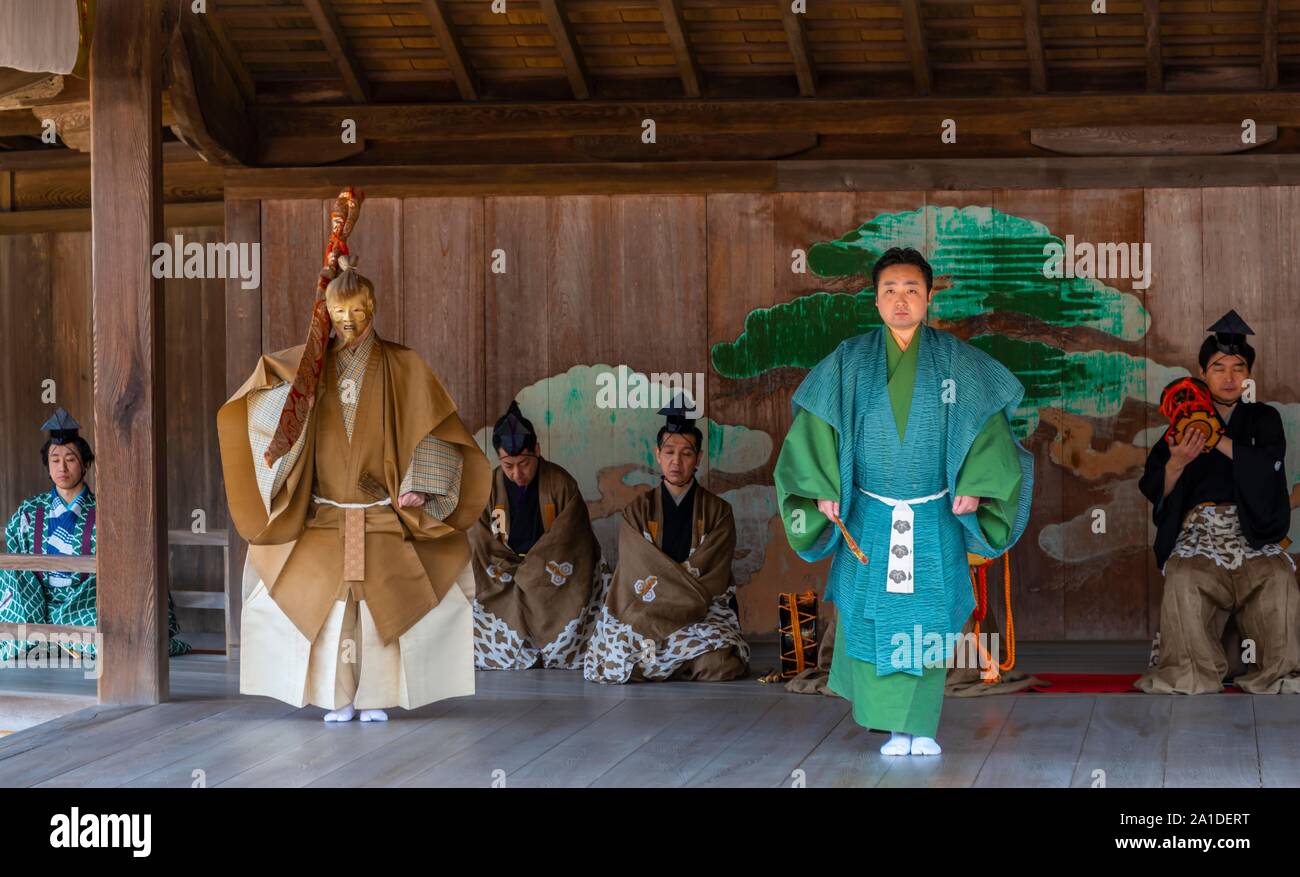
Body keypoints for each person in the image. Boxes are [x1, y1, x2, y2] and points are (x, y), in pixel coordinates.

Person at [774, 247, 1033, 756]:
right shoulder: (849, 361)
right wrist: (824, 488)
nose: (901, 300)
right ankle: (893, 726)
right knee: (870, 614)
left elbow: (988, 427)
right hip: (869, 513)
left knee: (930, 616)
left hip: (934, 513)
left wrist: (976, 483)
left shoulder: (958, 361)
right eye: (890, 290)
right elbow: (815, 427)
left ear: (929, 297)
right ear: (875, 300)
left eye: (912, 290)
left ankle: (921, 725)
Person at [218, 253, 490, 721]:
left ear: (373, 308)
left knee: (381, 609)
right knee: (329, 610)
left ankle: (375, 698)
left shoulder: (403, 366)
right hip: (324, 513)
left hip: (384, 509)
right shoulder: (309, 369)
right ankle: (338, 698)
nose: (349, 322)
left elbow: (434, 428)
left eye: (358, 312)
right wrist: (297, 389)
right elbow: (268, 407)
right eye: (339, 314)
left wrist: (419, 486)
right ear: (327, 312)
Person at [1137, 310, 1300, 694]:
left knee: (1278, 579)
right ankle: (1191, 672)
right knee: (1184, 577)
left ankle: (1279, 672)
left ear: (1248, 374)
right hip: (1200, 533)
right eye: (1218, 368)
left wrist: (1216, 439)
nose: (1229, 377)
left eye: (1238, 367)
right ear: (1202, 372)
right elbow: (1153, 485)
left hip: (1252, 533)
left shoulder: (1264, 418)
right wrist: (1177, 463)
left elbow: (1267, 467)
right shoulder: (1183, 423)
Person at [0, 409, 191, 661]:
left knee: (116, 637)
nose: (62, 467)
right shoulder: (29, 511)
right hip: (37, 602)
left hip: (84, 602)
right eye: (55, 459)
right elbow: (14, 559)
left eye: (70, 459)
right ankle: (54, 637)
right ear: (47, 466)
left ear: (86, 464)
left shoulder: (105, 513)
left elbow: (126, 563)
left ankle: (52, 640)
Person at [583, 394, 749, 683]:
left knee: (719, 664)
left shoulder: (719, 512)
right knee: (618, 660)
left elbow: (714, 576)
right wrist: (671, 593)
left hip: (701, 612)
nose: (676, 461)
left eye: (686, 453)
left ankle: (675, 660)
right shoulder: (637, 510)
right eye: (669, 452)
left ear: (698, 458)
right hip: (646, 610)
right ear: (657, 454)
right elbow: (636, 574)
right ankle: (678, 662)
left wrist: (675, 595)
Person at [469, 401, 610, 669]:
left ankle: (551, 647)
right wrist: (512, 571)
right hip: (503, 574)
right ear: (499, 458)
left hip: (554, 574)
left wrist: (531, 572)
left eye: (524, 463)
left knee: (586, 610)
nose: (517, 473)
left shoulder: (561, 483)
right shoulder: (488, 486)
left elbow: (571, 540)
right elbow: (481, 540)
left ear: (537, 450)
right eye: (508, 465)